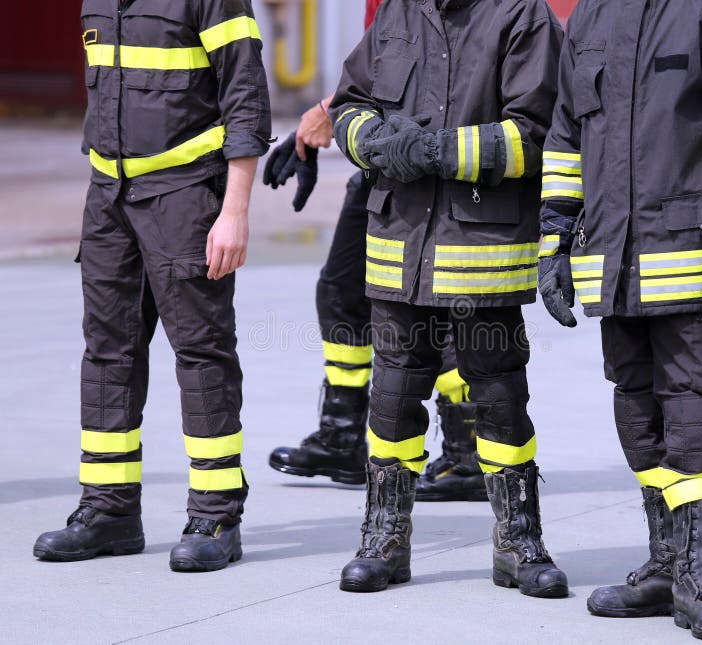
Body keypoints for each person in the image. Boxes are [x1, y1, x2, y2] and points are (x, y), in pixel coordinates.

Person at [538, 0, 702, 638]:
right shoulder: (593, 17)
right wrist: (555, 239)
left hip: (698, 255)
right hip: (615, 260)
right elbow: (567, 138)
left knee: (692, 410)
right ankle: (667, 562)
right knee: (636, 409)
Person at [329, 0, 566, 595]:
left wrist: (435, 152)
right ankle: (384, 540)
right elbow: (349, 107)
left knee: (500, 397)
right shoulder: (396, 15)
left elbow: (537, 133)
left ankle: (519, 541)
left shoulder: (521, 16)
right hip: (399, 249)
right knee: (391, 397)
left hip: (482, 253)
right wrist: (378, 141)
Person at [33, 0, 270, 573]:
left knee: (201, 352)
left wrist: (234, 211)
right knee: (107, 353)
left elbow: (245, 98)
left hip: (184, 195)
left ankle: (216, 515)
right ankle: (109, 511)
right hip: (109, 198)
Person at [262, 0, 485, 502]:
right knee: (343, 292)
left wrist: (324, 114)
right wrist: (330, 115)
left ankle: (467, 453)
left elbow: (423, 62)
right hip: (388, 153)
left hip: (424, 156)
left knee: (437, 308)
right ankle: (343, 434)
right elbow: (376, 64)